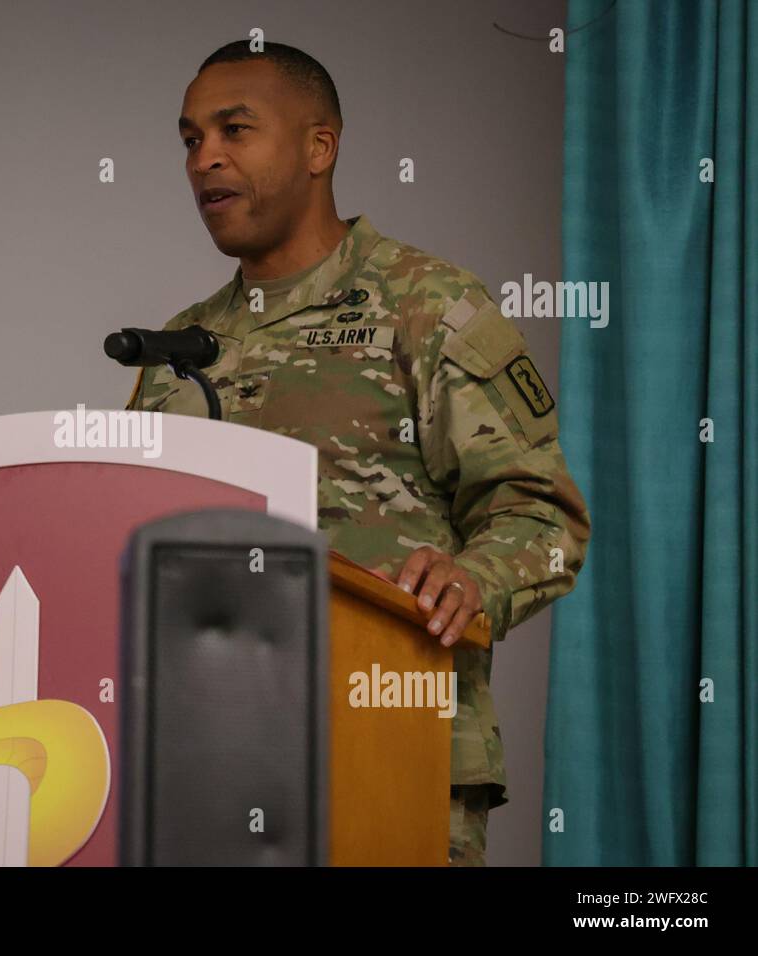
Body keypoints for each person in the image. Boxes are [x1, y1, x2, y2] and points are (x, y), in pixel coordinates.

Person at [125, 40, 591, 865]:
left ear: (318, 147)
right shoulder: (180, 351)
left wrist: (474, 579)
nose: (207, 159)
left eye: (236, 128)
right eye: (191, 138)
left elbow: (542, 514)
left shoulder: (425, 304)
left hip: (392, 741)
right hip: (211, 769)